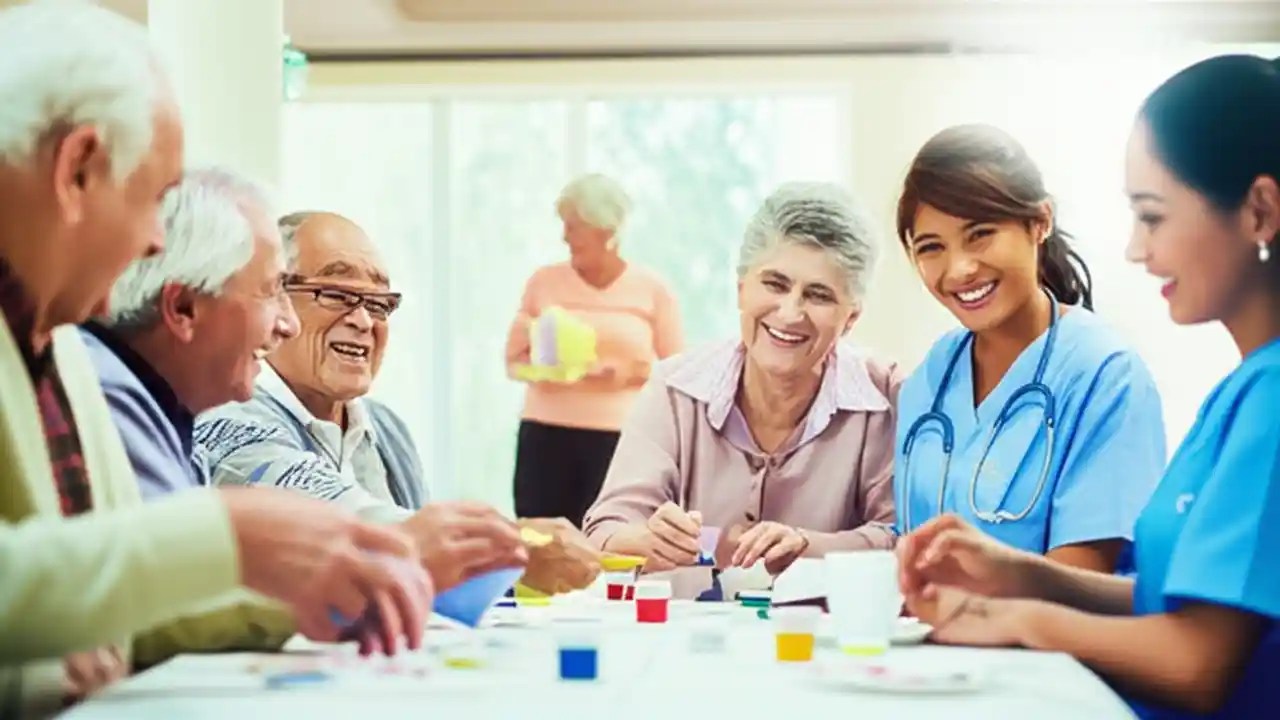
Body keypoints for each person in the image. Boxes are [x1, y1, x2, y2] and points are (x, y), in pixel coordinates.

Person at [0, 2, 429, 716]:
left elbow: (115, 598)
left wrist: (301, 587)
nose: (153, 243)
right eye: (154, 199)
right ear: (77, 170)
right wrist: (224, 537)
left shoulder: (61, 343)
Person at [897, 54, 1280, 719]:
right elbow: (1165, 601)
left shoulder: (1269, 401)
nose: (1135, 249)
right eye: (929, 246)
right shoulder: (1241, 393)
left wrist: (1020, 619)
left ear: (1260, 211)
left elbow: (1197, 664)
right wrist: (1016, 573)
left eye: (1153, 217)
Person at [195, 211, 598, 595]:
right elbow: (337, 525)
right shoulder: (229, 417)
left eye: (378, 304)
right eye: (335, 294)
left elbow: (422, 580)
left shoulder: (385, 428)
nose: (364, 322)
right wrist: (510, 548)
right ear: (275, 300)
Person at [583, 182, 901, 591]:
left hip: (821, 629)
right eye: (775, 284)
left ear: (850, 318)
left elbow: (901, 538)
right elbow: (607, 526)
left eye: (818, 295)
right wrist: (646, 540)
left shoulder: (884, 399)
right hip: (688, 627)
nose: (790, 313)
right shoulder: (675, 388)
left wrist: (810, 547)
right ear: (741, 290)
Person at [893, 124, 1166, 572]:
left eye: (980, 234)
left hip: (1052, 622)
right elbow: (907, 540)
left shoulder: (1105, 374)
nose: (958, 269)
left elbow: (1081, 575)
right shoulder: (931, 378)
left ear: (1040, 222)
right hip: (932, 619)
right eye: (931, 247)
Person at [80, 167, 305, 668]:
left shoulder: (164, 405)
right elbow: (167, 601)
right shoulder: (106, 393)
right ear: (182, 308)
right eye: (272, 291)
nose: (288, 324)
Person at [506, 173, 684, 528]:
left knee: (610, 537)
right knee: (542, 543)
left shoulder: (651, 289)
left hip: (619, 441)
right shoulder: (544, 283)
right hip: (546, 437)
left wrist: (632, 375)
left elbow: (679, 371)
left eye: (573, 226)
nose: (564, 237)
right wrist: (553, 374)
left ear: (604, 229)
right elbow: (513, 363)